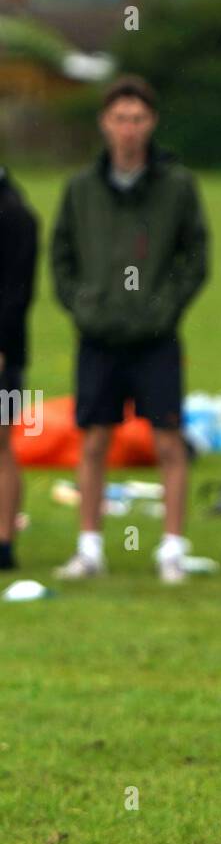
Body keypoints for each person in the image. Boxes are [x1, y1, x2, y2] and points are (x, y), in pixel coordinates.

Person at [51, 75, 209, 584]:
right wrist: (83, 307)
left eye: (138, 118)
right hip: (97, 336)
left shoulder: (177, 185)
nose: (128, 129)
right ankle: (90, 547)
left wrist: (164, 308)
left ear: (152, 123)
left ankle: (171, 549)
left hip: (155, 338)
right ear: (105, 123)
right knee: (94, 440)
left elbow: (196, 256)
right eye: (120, 118)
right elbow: (62, 257)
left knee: (168, 440)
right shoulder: (80, 189)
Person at [0, 166, 38, 572]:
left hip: (6, 353)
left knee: (1, 443)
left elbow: (18, 291)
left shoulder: (15, 215)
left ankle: (4, 542)